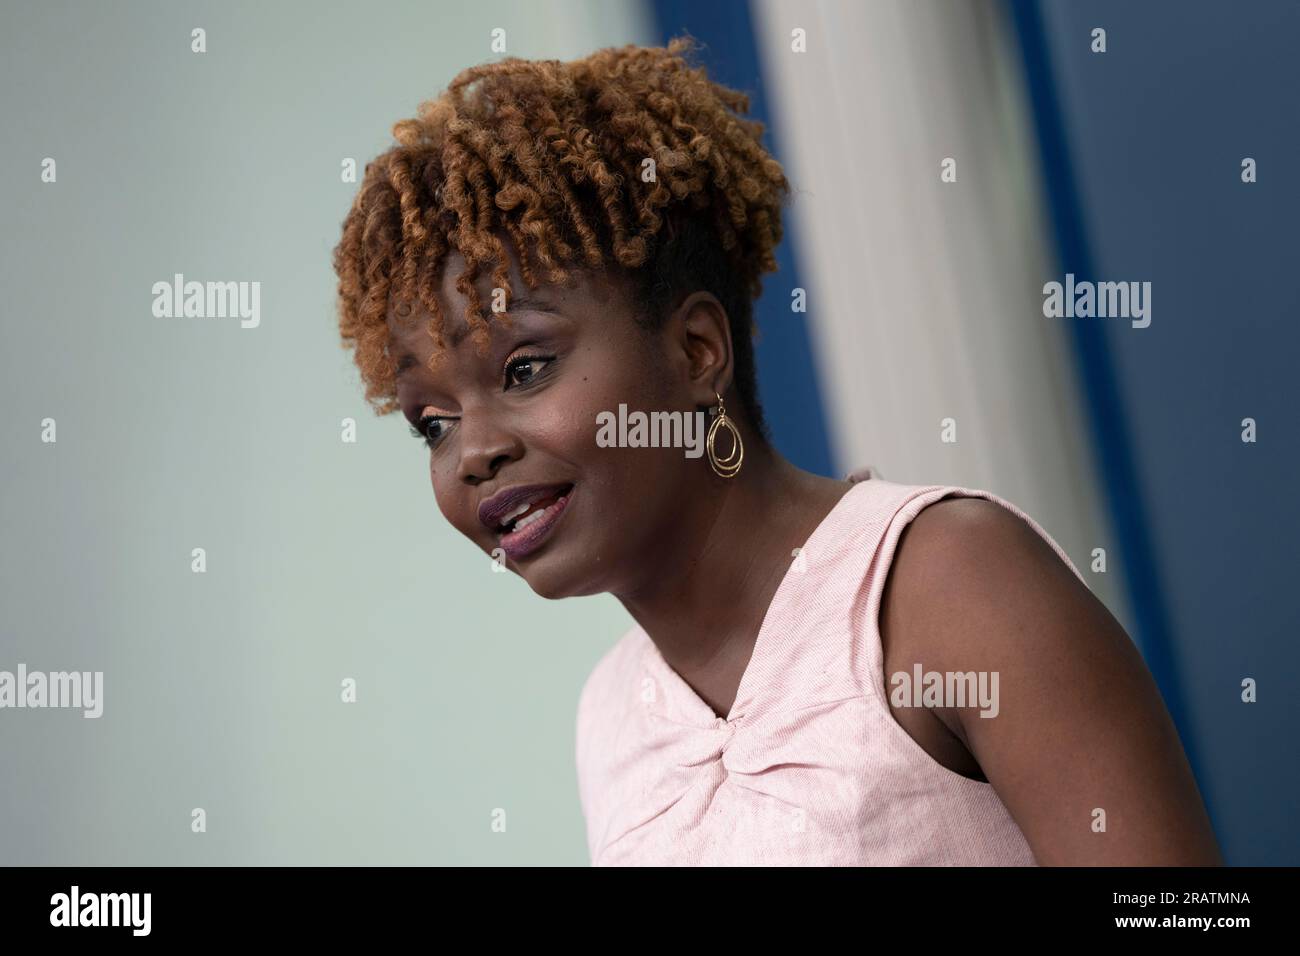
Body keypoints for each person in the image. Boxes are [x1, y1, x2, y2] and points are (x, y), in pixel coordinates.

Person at [331, 37, 1221, 866]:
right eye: (432, 422)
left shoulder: (943, 585)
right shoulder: (610, 716)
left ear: (695, 352)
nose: (473, 451)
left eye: (524, 367)